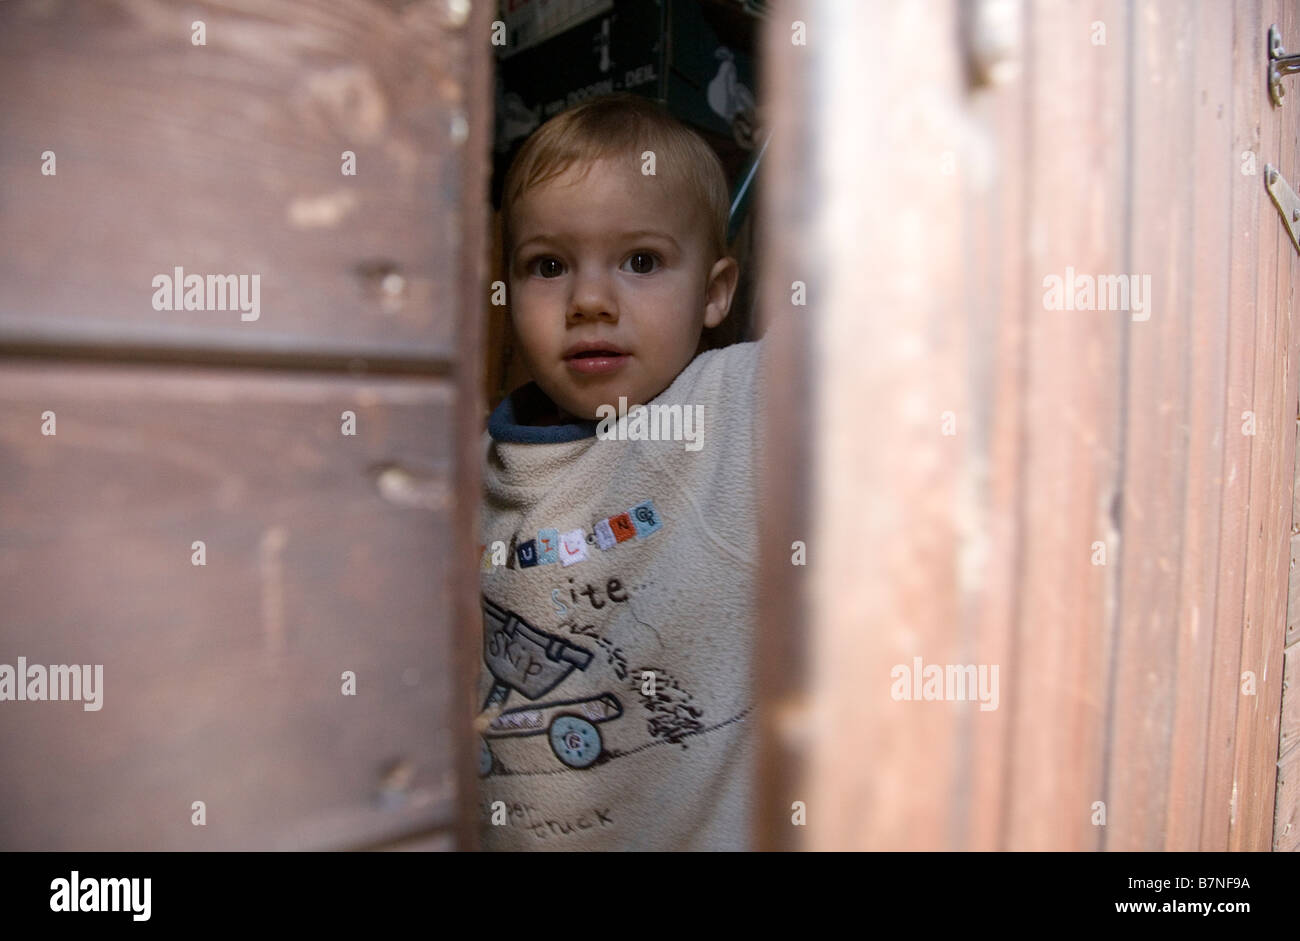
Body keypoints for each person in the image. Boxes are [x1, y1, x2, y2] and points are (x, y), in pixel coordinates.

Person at [477, 92, 764, 850]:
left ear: (714, 292)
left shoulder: (732, 407)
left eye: (641, 261)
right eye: (549, 266)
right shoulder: (470, 467)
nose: (591, 301)